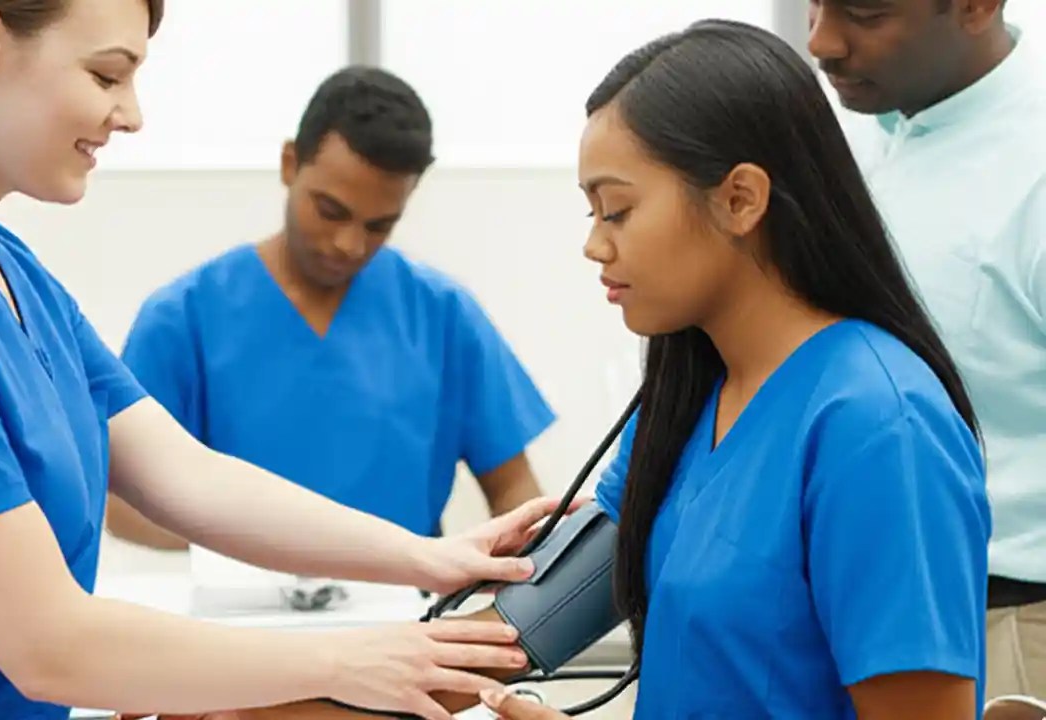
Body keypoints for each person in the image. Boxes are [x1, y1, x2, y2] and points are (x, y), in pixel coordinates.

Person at [134, 19, 993, 720]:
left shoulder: (880, 423)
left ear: (739, 199)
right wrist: (222, 707)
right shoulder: (685, 413)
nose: (593, 243)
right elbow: (491, 646)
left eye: (616, 209)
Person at [0, 2, 563, 718]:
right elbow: (52, 645)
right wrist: (350, 658)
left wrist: (433, 556)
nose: (133, 114)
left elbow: (189, 477)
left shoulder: (4, 269)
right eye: (107, 74)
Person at [107, 65, 555, 549]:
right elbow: (124, 507)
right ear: (289, 163)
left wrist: (527, 577)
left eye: (378, 225)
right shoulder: (182, 320)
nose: (349, 244)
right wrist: (271, 554)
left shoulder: (443, 316)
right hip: (240, 616)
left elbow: (512, 486)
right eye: (330, 211)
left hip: (406, 609)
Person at [809, 0, 1046, 701]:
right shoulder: (861, 137)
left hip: (1010, 626)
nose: (821, 42)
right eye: (813, 5)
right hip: (861, 618)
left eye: (865, 14)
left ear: (976, 6)